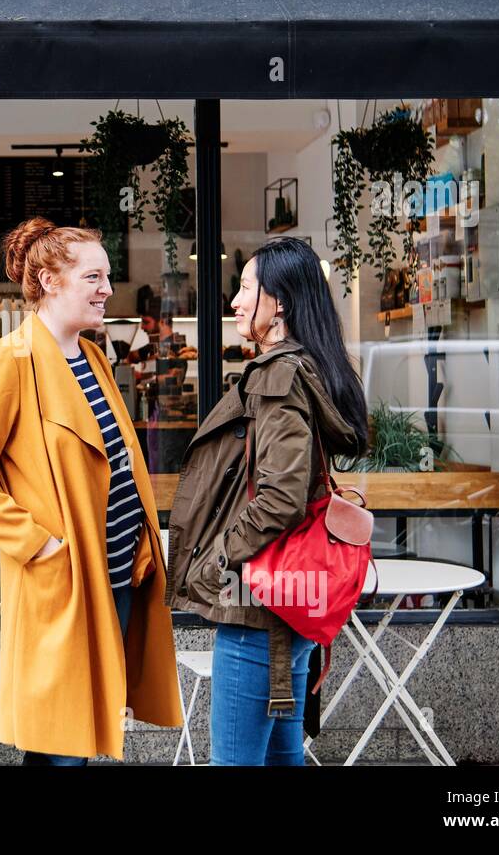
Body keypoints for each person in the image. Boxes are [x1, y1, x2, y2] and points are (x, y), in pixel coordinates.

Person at [0, 217, 183, 764]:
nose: (106, 290)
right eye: (93, 277)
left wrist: (145, 543)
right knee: (59, 743)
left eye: (107, 277)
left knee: (86, 732)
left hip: (117, 573)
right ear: (50, 280)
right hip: (65, 578)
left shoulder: (93, 356)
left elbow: (116, 463)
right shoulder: (11, 360)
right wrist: (37, 544)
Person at [164, 236, 367, 765]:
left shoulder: (278, 375)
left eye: (246, 288)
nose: (234, 300)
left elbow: (280, 496)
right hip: (283, 604)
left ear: (278, 303)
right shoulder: (305, 368)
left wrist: (214, 561)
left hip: (255, 608)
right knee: (282, 759)